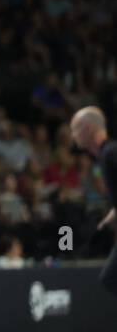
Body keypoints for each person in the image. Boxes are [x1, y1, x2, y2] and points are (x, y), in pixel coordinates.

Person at [70, 106, 117, 298]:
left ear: (88, 128)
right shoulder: (107, 155)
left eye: (74, 129)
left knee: (110, 278)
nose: (72, 136)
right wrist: (110, 218)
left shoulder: (111, 154)